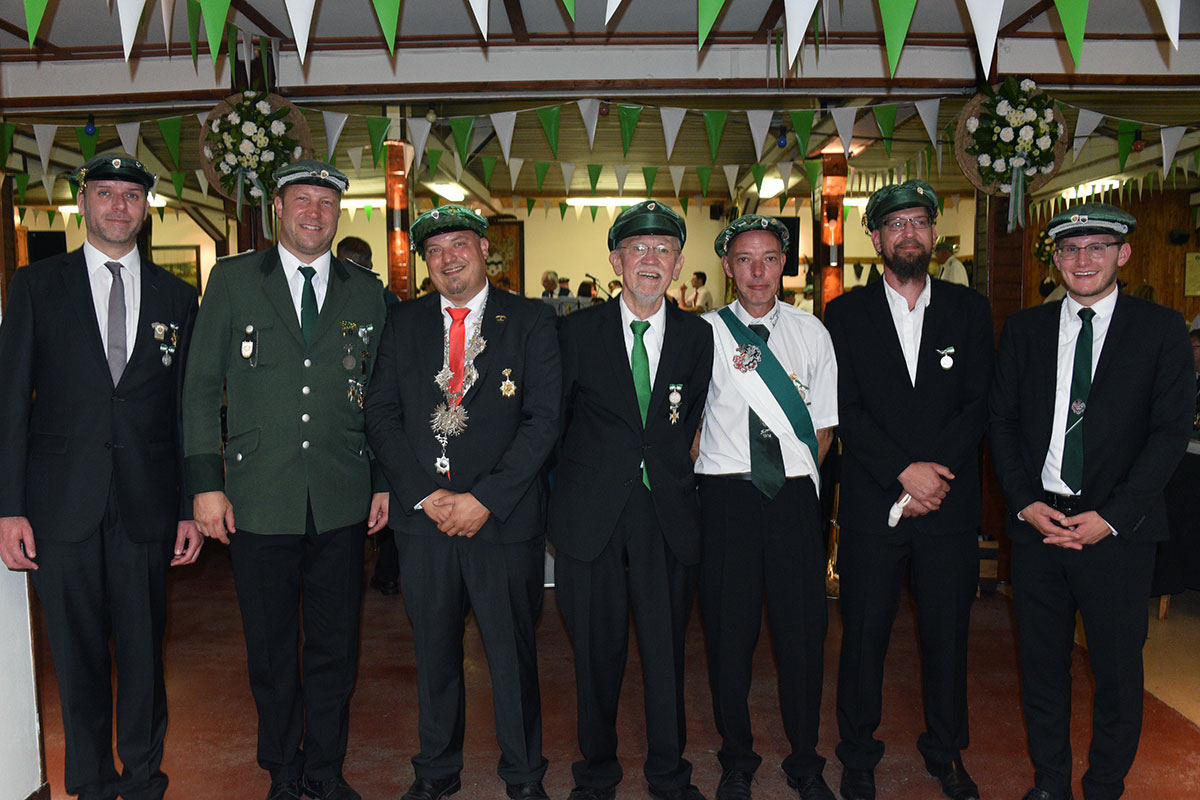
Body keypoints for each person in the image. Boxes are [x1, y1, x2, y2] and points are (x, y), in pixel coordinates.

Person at [183, 160, 390, 800]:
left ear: (339, 213)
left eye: (326, 203)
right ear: (278, 206)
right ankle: (282, 769)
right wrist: (205, 483)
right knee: (270, 649)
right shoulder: (234, 280)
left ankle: (325, 770)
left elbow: (384, 396)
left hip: (340, 494)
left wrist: (383, 479)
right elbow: (199, 387)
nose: (314, 214)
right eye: (302, 200)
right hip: (258, 496)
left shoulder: (367, 291)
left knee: (335, 645)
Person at [0, 153, 203, 800]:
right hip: (61, 506)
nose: (119, 206)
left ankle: (144, 780)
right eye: (106, 193)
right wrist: (8, 508)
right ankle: (89, 782)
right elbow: (10, 403)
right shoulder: (36, 286)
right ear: (81, 201)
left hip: (147, 505)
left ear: (147, 208)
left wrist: (188, 507)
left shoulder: (177, 297)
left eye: (132, 196)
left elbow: (186, 411)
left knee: (144, 654)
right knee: (77, 655)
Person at [989, 203, 1192, 800]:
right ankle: (1049, 782)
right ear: (1056, 260)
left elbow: (1169, 435)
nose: (1083, 260)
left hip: (1117, 533)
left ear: (1122, 254)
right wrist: (1024, 503)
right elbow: (1001, 423)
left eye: (1097, 248)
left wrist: (1112, 517)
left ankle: (1105, 785)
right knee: (1042, 669)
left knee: (1119, 673)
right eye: (1071, 250)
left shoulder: (1160, 329)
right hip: (1039, 526)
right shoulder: (1024, 330)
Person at [365, 204, 560, 800]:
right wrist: (423, 494)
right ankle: (436, 771)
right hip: (425, 522)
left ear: (483, 250)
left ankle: (523, 775)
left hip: (502, 520)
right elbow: (381, 413)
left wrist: (485, 499)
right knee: (434, 653)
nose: (448, 258)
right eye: (435, 250)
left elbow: (544, 420)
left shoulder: (529, 320)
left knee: (511, 655)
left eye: (459, 245)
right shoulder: (401, 322)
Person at [823, 180, 993, 800]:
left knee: (947, 636)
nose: (909, 233)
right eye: (895, 224)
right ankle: (858, 753)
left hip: (947, 504)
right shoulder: (844, 315)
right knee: (863, 635)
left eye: (919, 221)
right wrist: (903, 471)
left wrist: (932, 476)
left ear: (934, 233)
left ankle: (946, 751)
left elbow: (980, 402)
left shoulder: (969, 310)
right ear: (876, 239)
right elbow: (845, 408)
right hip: (873, 502)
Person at [550, 201, 714, 800]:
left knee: (666, 654)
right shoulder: (576, 332)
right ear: (616, 262)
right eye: (638, 249)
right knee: (596, 653)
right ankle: (596, 773)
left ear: (678, 265)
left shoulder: (698, 336)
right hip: (592, 516)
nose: (651, 259)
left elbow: (690, 418)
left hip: (664, 514)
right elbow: (555, 423)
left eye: (663, 249)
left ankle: (669, 774)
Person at [695, 215, 839, 800]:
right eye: (745, 260)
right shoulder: (703, 334)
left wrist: (788, 482)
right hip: (725, 498)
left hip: (791, 500)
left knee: (802, 634)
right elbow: (688, 429)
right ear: (727, 267)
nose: (758, 271)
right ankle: (736, 759)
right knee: (728, 635)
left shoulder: (812, 333)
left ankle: (805, 760)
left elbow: (823, 429)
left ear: (784, 265)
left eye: (770, 258)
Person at [334, 237, 401, 596]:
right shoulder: (383, 299)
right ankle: (386, 572)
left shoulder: (382, 301)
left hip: (372, 421)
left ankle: (386, 571)